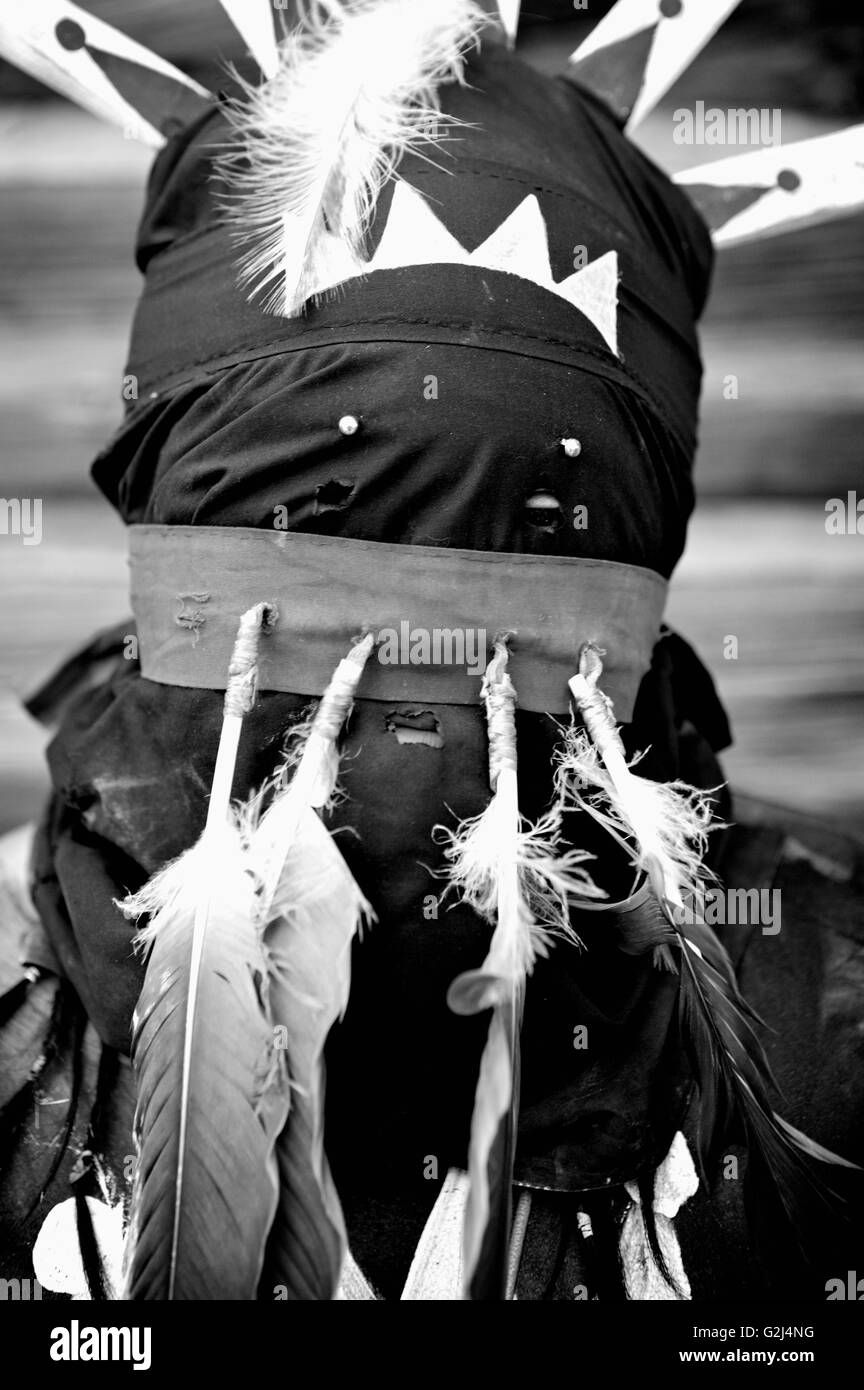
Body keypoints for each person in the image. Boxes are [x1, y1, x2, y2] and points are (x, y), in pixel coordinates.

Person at [0, 0, 860, 1300]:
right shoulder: (22, 1013)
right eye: (307, 574)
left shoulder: (829, 998)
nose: (410, 728)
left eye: (527, 587)